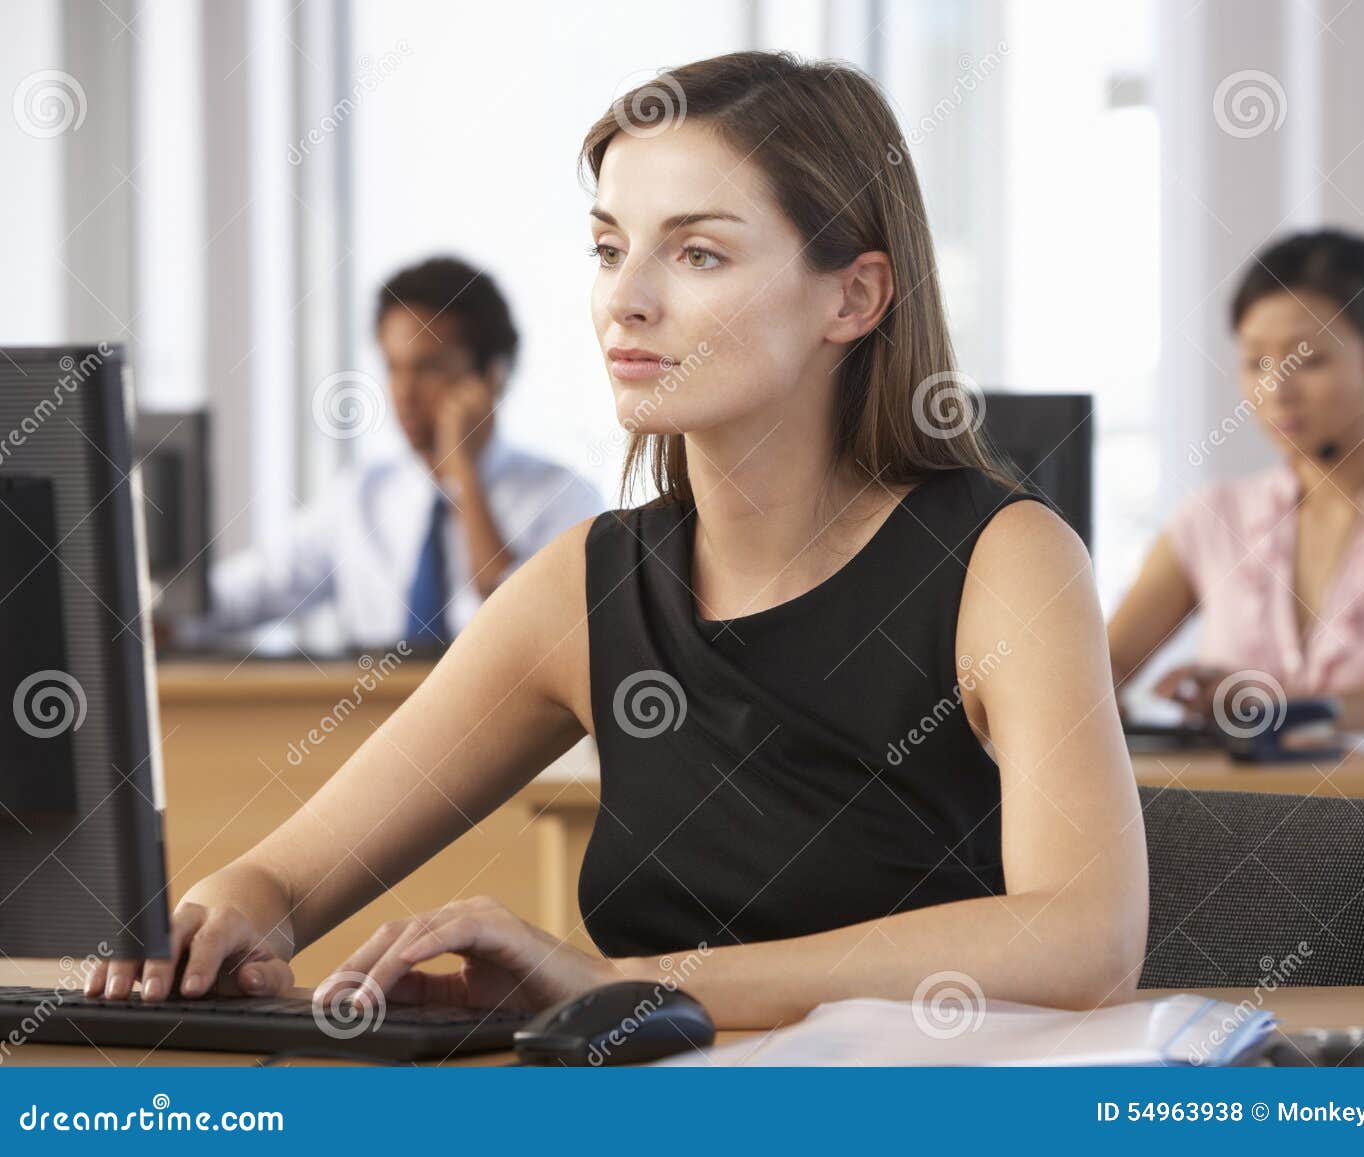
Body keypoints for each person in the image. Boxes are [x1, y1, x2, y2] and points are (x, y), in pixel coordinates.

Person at [92, 51, 1148, 1027]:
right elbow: (285, 879)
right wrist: (223, 912)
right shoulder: (589, 586)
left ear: (853, 294)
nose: (624, 301)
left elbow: (1083, 938)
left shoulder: (1002, 559)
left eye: (695, 252)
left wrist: (627, 984)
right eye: (609, 248)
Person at [1109, 228, 1364, 732]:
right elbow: (1100, 669)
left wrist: (1273, 712)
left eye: (1307, 359)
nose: (1276, 388)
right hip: (1235, 810)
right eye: (1256, 362)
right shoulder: (1212, 516)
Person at [173, 256, 604, 651]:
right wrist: (158, 614)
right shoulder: (361, 495)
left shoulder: (563, 497)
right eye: (393, 367)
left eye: (428, 368)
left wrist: (463, 477)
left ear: (491, 378)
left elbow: (528, 619)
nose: (403, 393)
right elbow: (242, 594)